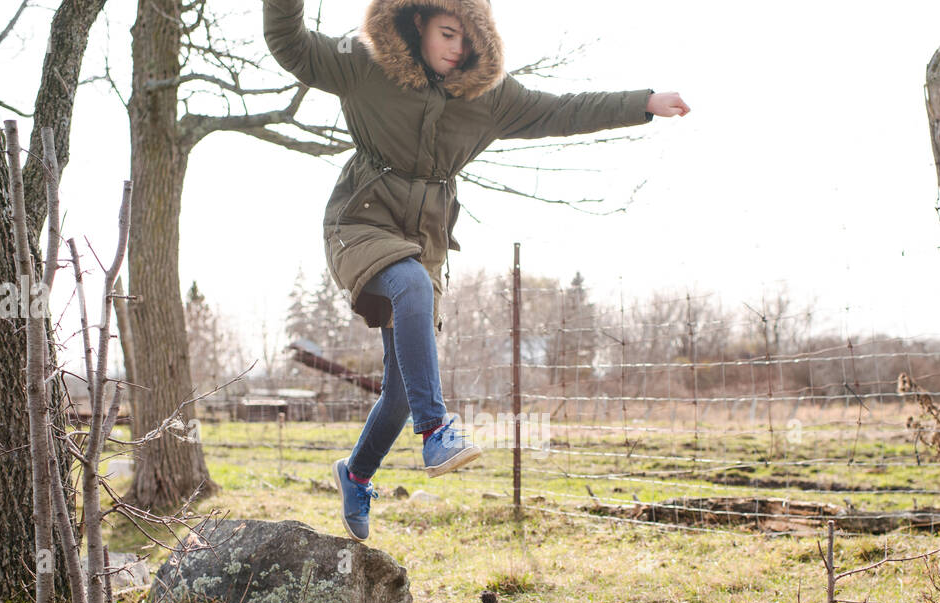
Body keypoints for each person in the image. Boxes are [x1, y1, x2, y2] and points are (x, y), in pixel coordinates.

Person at [263, 0, 691, 541]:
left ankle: (355, 475)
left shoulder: (489, 98)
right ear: (417, 22)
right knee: (411, 285)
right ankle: (437, 429)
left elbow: (562, 111)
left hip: (424, 242)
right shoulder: (363, 63)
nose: (456, 49)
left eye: (467, 40)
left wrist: (643, 103)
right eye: (447, 34)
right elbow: (292, 45)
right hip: (361, 224)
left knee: (399, 389)